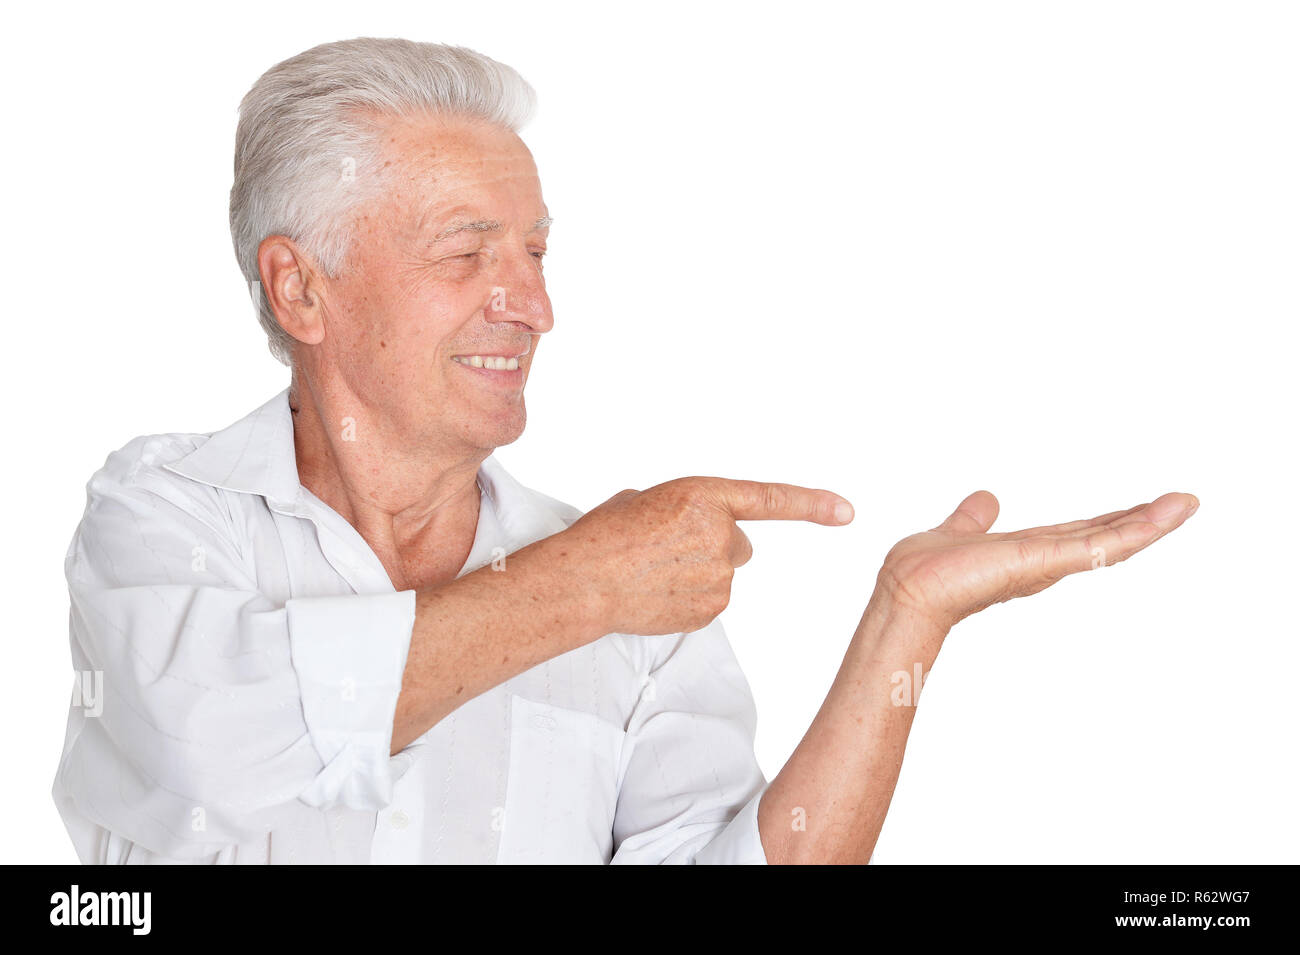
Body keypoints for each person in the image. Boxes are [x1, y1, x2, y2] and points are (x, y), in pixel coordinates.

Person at [52, 37, 1198, 864]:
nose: (534, 306)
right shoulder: (165, 516)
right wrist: (589, 584)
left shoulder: (632, 582)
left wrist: (904, 622)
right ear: (301, 286)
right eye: (468, 254)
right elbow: (213, 745)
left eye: (538, 253)